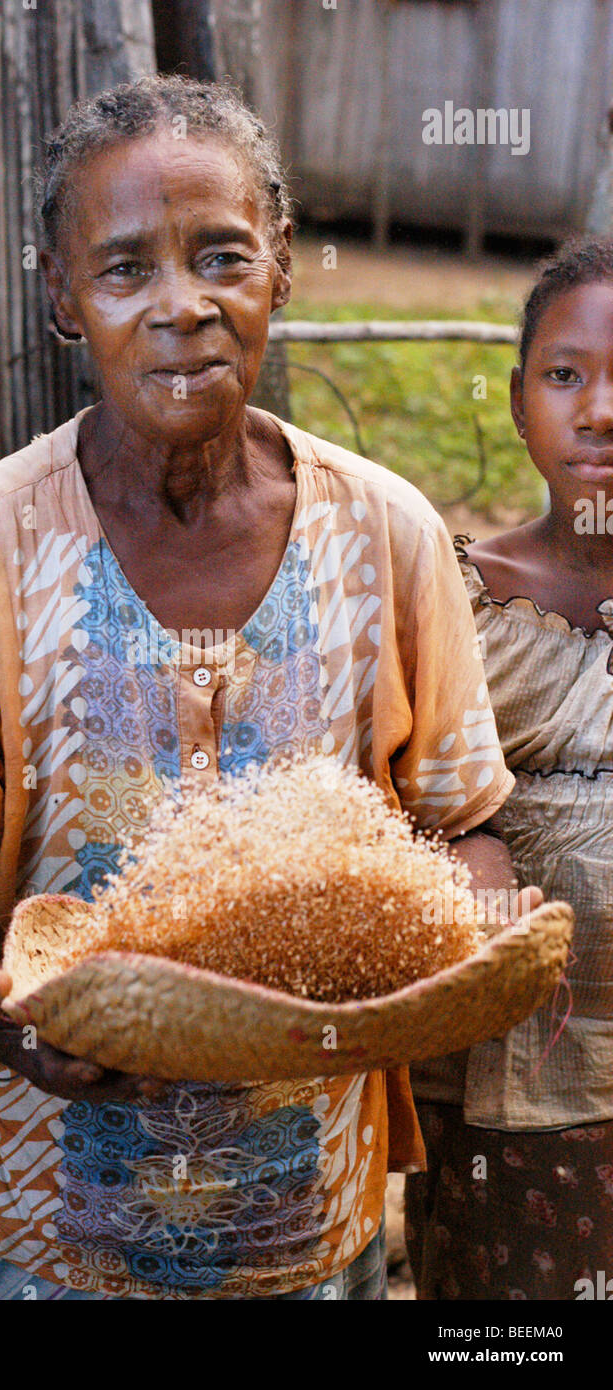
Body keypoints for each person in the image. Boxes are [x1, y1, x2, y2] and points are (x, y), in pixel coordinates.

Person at [0, 76, 523, 1300]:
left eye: (222, 256)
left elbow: (461, 825)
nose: (182, 308)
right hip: (31, 1207)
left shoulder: (390, 534)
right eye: (122, 271)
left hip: (306, 1202)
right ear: (63, 298)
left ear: (280, 270)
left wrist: (464, 939)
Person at [406, 240, 613, 1301]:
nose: (599, 410)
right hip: (501, 1088)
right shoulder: (459, 598)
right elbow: (414, 800)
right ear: (522, 400)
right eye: (565, 374)